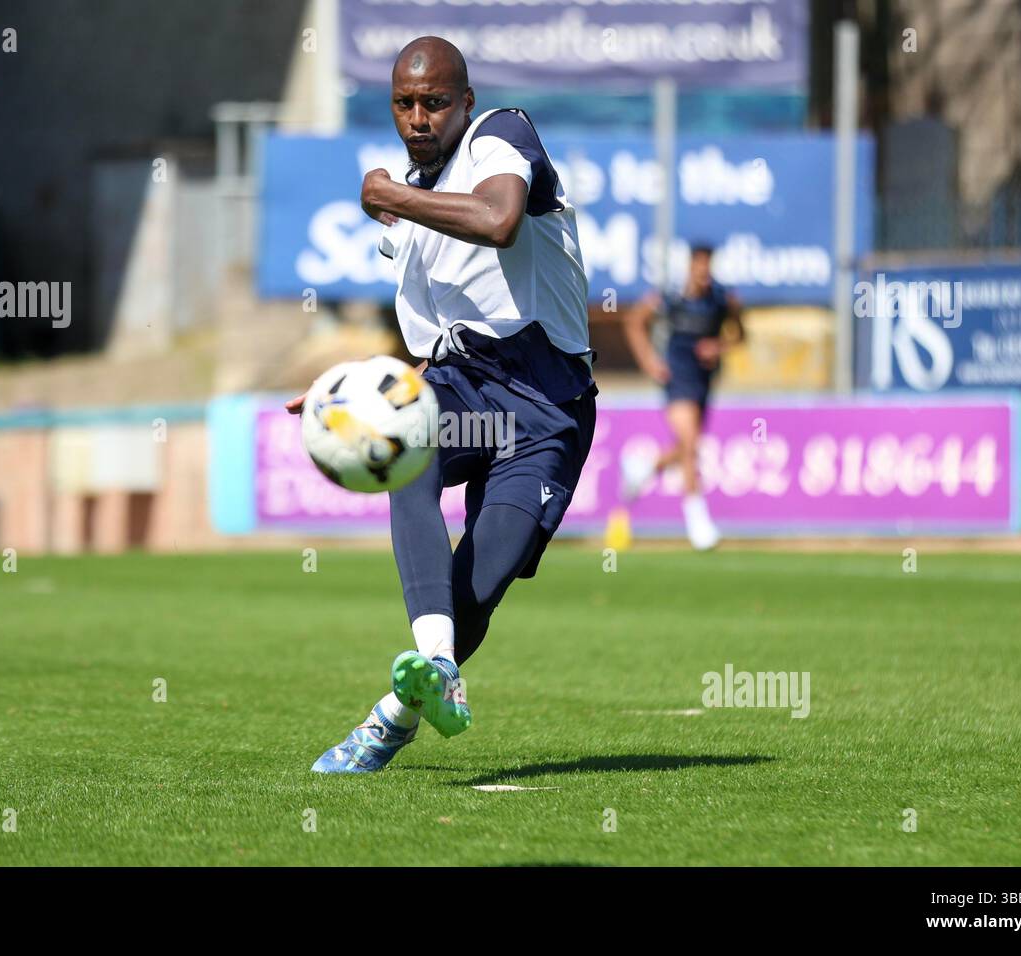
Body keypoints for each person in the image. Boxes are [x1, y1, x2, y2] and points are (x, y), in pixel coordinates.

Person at [286, 36, 598, 773]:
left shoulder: (502, 136)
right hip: (465, 384)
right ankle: (436, 663)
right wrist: (354, 392)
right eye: (404, 102)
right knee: (405, 446)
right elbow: (438, 337)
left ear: (465, 100)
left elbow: (499, 222)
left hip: (547, 410)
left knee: (479, 588)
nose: (418, 116)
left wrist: (392, 197)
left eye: (434, 101)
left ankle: (393, 714)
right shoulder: (405, 192)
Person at [620, 244, 743, 550]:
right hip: (676, 378)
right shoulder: (671, 296)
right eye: (698, 267)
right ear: (690, 266)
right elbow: (634, 321)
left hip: (703, 380)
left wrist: (718, 347)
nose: (703, 274)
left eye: (707, 267)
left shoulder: (722, 299)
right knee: (690, 445)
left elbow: (740, 335)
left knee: (688, 445)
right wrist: (648, 360)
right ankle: (696, 520)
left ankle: (644, 468)